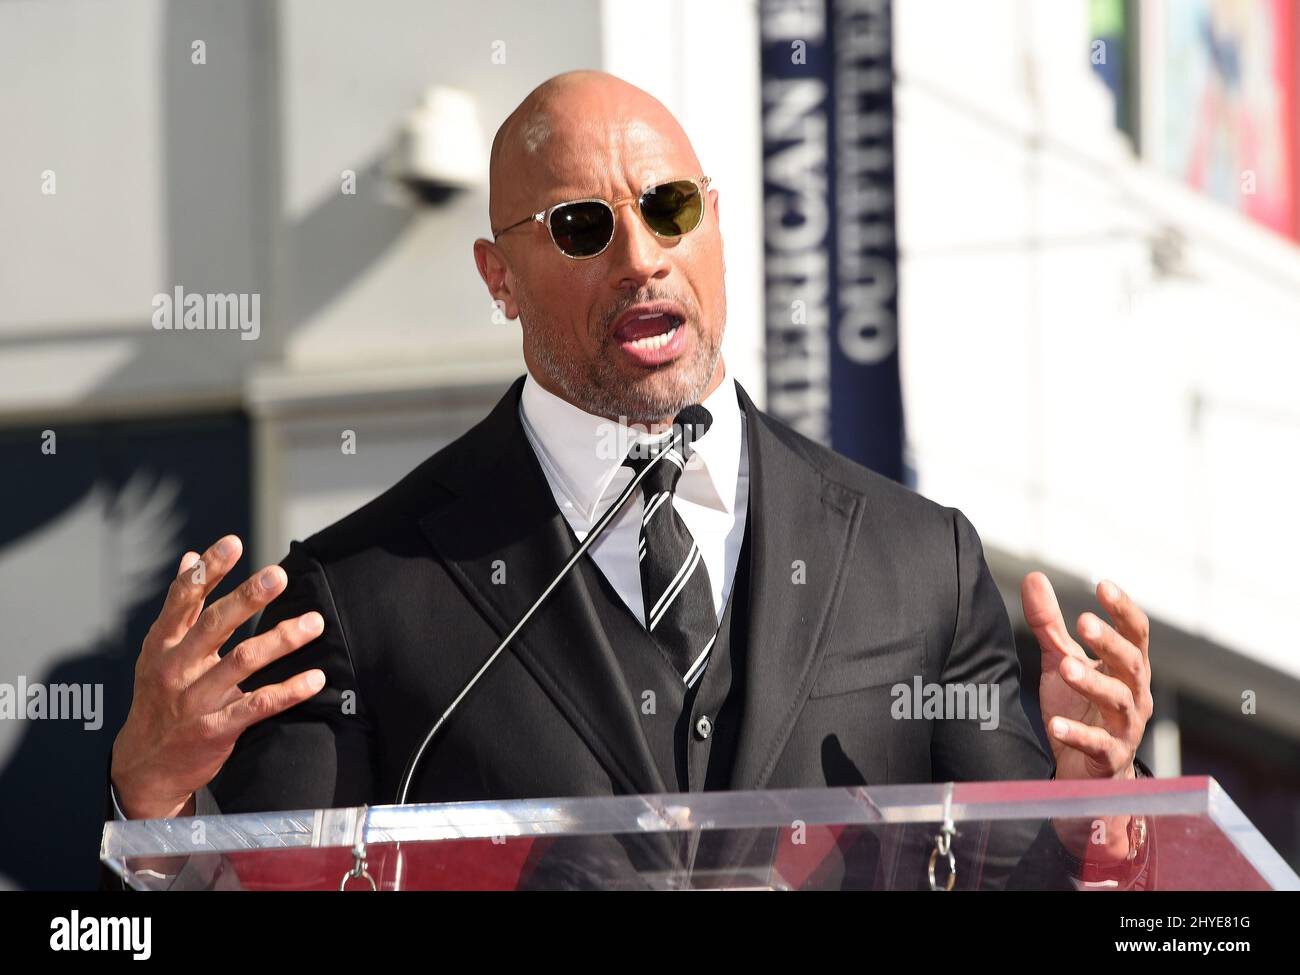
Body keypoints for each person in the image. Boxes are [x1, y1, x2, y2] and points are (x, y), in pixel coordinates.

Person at [106, 71, 1155, 888]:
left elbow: (1024, 883)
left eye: (668, 209)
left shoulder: (918, 564)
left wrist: (1095, 817)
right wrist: (158, 810)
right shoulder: (360, 591)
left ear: (714, 220)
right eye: (581, 225)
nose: (642, 256)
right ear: (497, 278)